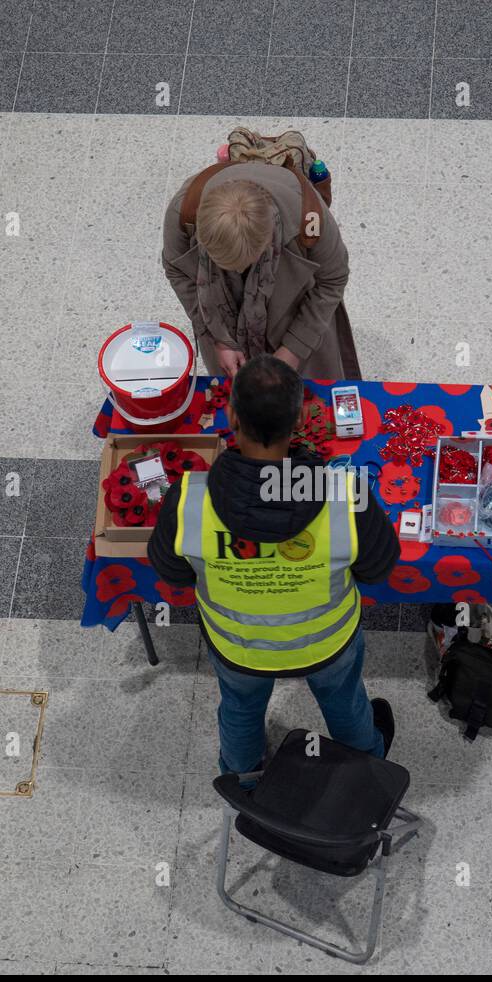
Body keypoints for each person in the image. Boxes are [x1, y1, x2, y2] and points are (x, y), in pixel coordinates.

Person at [149, 355, 400, 775]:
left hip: (238, 647)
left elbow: (172, 573)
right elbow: (378, 570)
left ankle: (242, 776)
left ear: (230, 416)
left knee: (241, 708)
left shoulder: (189, 498)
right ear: (301, 418)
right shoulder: (345, 494)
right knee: (345, 701)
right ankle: (366, 763)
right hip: (327, 643)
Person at [161, 162, 353, 380]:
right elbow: (175, 269)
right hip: (221, 319)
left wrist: (294, 348)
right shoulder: (183, 213)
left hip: (295, 314)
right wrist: (217, 337)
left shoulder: (308, 217)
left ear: (269, 238)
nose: (239, 271)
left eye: (247, 264)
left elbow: (333, 279)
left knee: (309, 396)